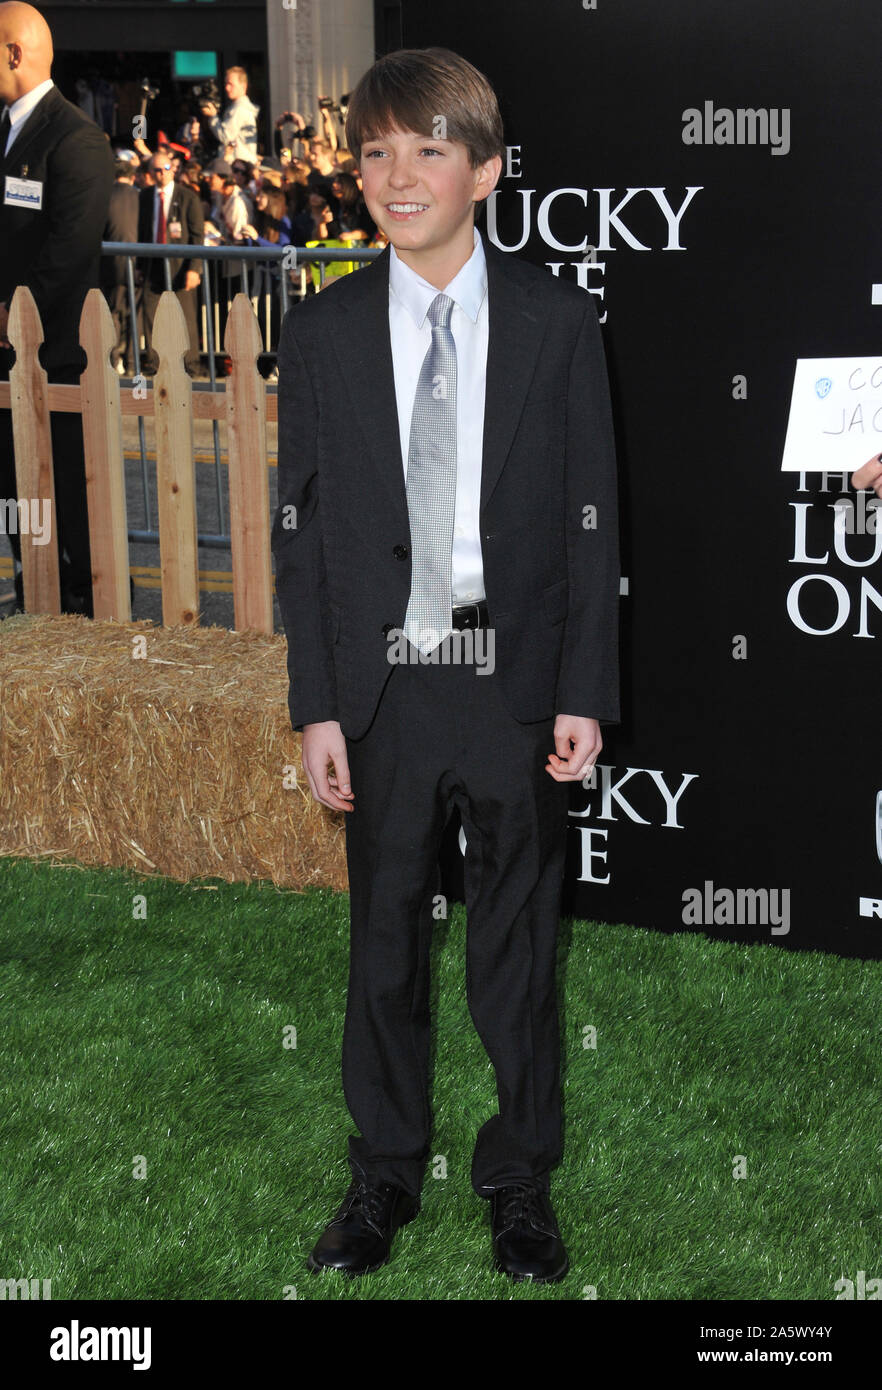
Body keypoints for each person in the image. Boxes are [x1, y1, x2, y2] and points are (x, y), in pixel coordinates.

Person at [271, 46, 620, 1283]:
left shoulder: (556, 320)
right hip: (382, 686)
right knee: (384, 942)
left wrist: (583, 687)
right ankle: (381, 1178)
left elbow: (594, 518)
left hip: (511, 678)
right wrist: (317, 704)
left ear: (486, 169)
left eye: (426, 148)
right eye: (373, 152)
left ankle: (519, 1180)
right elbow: (299, 536)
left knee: (516, 946)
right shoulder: (316, 332)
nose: (395, 174)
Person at [0, 0, 114, 617]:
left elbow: (68, 251)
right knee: (18, 504)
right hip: (6, 367)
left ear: (14, 53)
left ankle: (81, 622)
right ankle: (34, 604)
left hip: (56, 361)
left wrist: (10, 317)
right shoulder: (8, 131)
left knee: (66, 506)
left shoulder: (75, 137)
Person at [135, 148, 204, 377]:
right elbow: (141, 231)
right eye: (155, 170)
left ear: (172, 170)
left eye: (165, 169)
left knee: (185, 315)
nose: (161, 174)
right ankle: (155, 362)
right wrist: (138, 265)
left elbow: (197, 235)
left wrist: (194, 268)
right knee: (151, 315)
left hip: (180, 264)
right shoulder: (144, 197)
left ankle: (191, 363)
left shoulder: (188, 197)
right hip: (152, 262)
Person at [101, 154, 139, 375]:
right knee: (134, 315)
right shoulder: (142, 197)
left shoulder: (105, 196)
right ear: (132, 177)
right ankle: (133, 362)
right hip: (137, 264)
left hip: (110, 264)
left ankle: (114, 359)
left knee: (113, 313)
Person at [200, 66, 258, 165]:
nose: (227, 88)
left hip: (239, 167)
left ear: (244, 86)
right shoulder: (236, 107)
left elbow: (226, 137)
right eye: (226, 84)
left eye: (231, 84)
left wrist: (213, 117)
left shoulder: (240, 109)